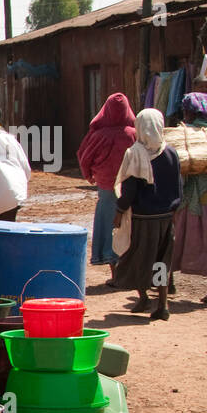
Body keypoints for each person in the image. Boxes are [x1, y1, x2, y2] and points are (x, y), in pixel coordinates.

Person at [113, 107, 183, 320]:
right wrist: (173, 210)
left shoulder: (134, 153)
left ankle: (143, 297)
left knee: (138, 257)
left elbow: (129, 190)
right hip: (165, 218)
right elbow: (178, 187)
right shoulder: (171, 153)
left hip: (142, 218)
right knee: (162, 261)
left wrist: (119, 211)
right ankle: (162, 303)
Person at [77, 93, 136, 278]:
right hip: (131, 189)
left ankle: (114, 271)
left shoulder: (97, 135)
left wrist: (89, 176)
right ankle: (128, 270)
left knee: (108, 224)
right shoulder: (133, 134)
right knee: (130, 227)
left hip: (106, 186)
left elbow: (84, 156)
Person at [171, 91, 207, 304]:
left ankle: (166, 286)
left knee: (170, 242)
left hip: (195, 199)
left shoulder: (183, 134)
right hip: (205, 198)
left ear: (189, 112)